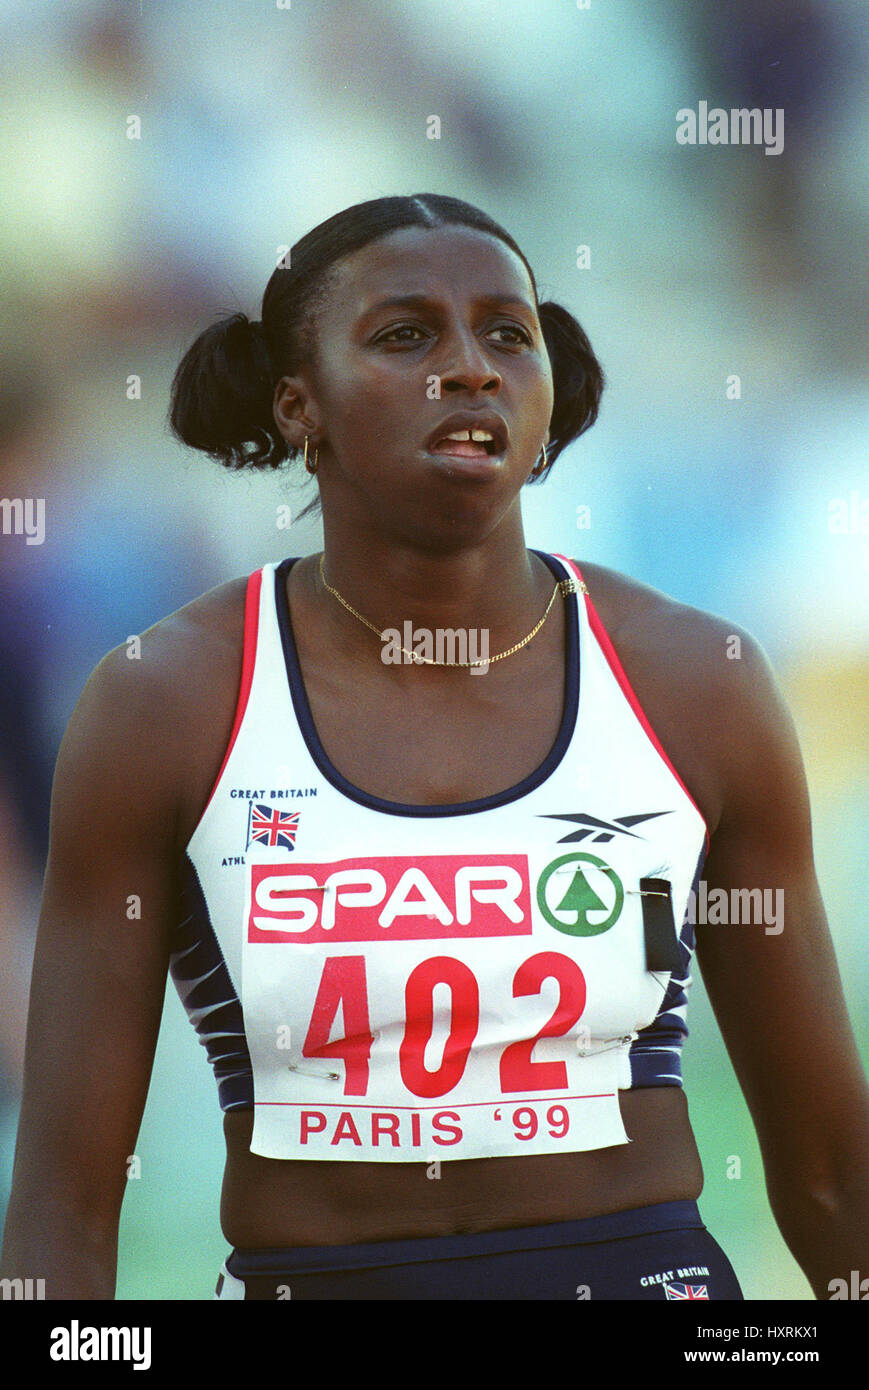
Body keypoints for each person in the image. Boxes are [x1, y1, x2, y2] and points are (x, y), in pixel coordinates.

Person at [2, 193, 867, 1302]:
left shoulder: (699, 684)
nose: (470, 367)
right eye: (406, 334)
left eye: (508, 333)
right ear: (296, 404)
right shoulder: (160, 702)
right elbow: (64, 1209)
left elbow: (833, 1177)